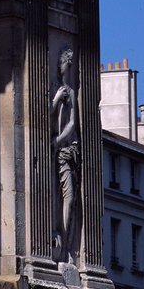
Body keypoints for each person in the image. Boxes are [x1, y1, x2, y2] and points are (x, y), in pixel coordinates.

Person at [51, 46, 81, 264]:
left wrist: (59, 141)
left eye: (70, 66)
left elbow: (73, 122)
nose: (67, 69)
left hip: (66, 150)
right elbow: (42, 113)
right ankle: (59, 246)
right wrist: (54, 100)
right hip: (56, 151)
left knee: (69, 199)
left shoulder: (70, 91)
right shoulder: (54, 88)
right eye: (65, 64)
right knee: (61, 197)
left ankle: (67, 248)